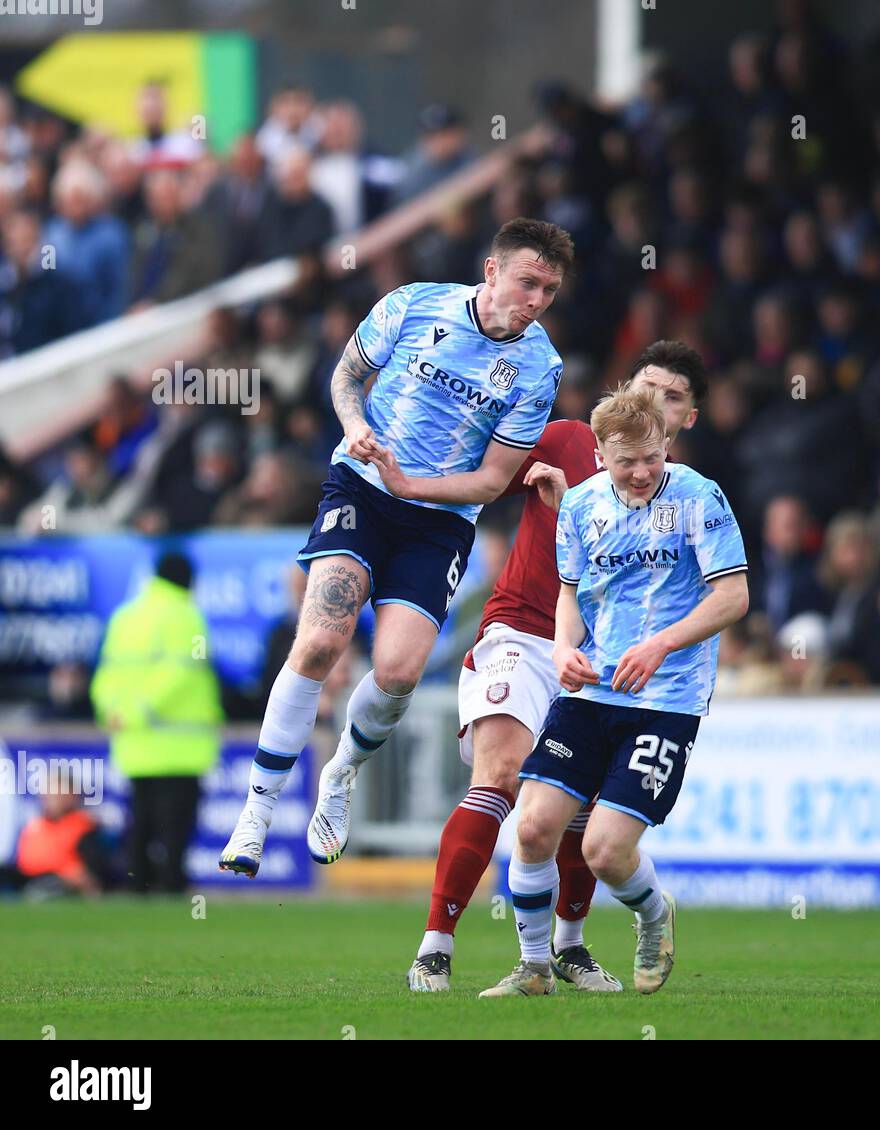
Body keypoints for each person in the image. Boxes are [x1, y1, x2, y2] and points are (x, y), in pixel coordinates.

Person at [218, 217, 574, 878]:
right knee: (322, 639)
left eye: (549, 289)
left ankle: (341, 773)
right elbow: (346, 378)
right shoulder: (414, 304)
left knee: (398, 672)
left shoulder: (538, 367)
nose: (536, 299)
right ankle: (259, 807)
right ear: (492, 271)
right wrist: (355, 428)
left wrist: (417, 484)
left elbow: (496, 480)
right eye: (529, 282)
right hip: (362, 486)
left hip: (437, 518)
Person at [404, 340, 706, 994]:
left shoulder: (685, 499)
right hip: (521, 629)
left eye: (672, 396)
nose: (655, 401)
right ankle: (435, 945)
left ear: (689, 418)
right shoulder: (565, 438)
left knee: (576, 815)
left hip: (596, 656)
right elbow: (481, 477)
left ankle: (563, 949)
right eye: (647, 386)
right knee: (504, 774)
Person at [479, 385, 748, 997]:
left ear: (666, 444)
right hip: (593, 691)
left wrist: (660, 645)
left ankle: (655, 917)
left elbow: (733, 596)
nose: (641, 472)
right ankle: (533, 969)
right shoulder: (579, 507)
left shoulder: (698, 498)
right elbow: (571, 594)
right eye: (626, 461)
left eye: (652, 457)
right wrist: (565, 647)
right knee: (533, 828)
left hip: (666, 697)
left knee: (603, 852)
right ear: (599, 454)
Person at [90, 552, 223, 893]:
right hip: (180, 746)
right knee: (177, 823)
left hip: (135, 743)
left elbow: (106, 673)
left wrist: (115, 713)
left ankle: (138, 882)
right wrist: (142, 709)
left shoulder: (125, 616)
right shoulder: (186, 616)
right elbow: (179, 673)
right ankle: (171, 884)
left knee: (141, 819)